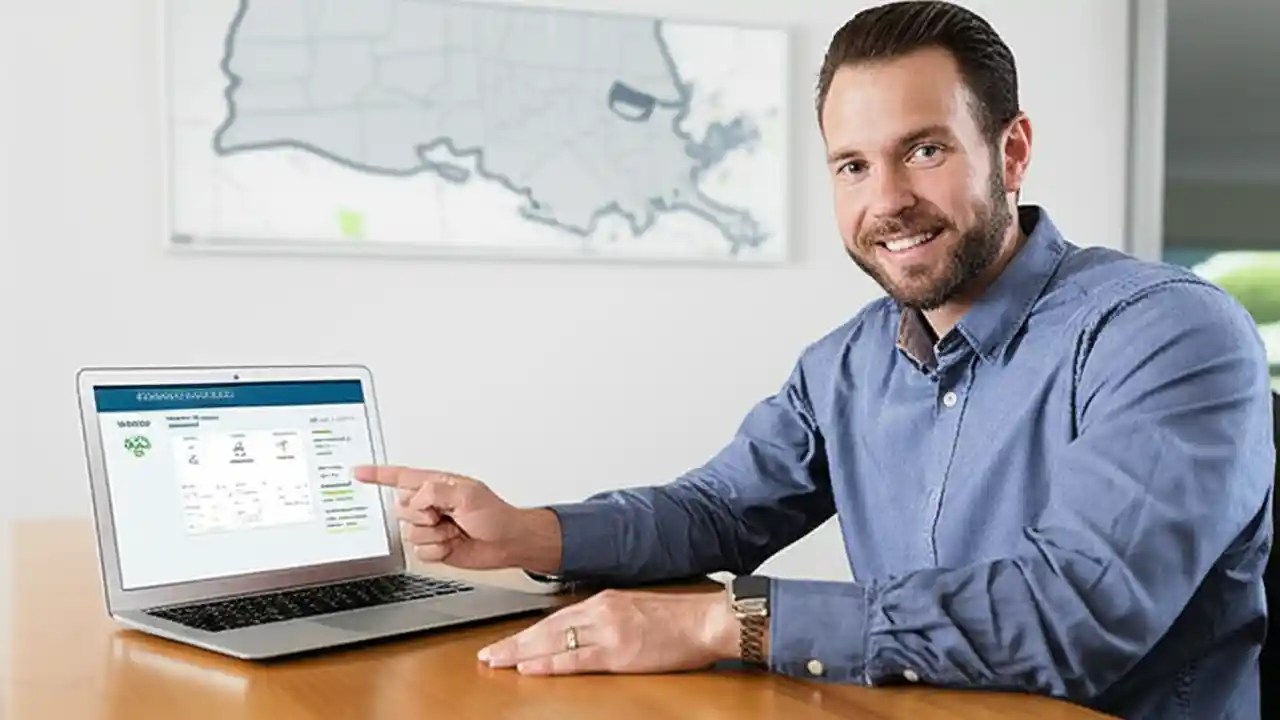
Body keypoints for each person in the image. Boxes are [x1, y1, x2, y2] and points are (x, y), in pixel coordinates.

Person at [355, 2, 1275, 717]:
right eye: (852, 167)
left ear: (1012, 150)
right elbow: (717, 509)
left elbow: (1079, 613)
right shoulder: (848, 362)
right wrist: (528, 532)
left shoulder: (1168, 334)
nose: (889, 202)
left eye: (923, 150)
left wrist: (729, 620)